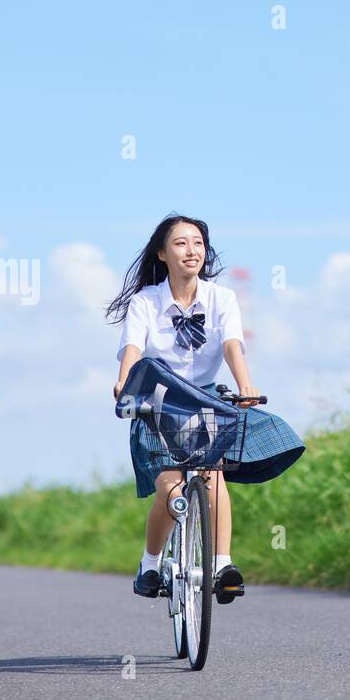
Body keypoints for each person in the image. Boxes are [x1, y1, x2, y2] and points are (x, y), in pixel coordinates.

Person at [106, 213, 259, 602]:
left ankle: (222, 564)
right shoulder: (146, 302)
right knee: (171, 488)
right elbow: (133, 348)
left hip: (204, 399)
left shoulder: (222, 298)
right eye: (180, 243)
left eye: (197, 243)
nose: (191, 250)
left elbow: (232, 345)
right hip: (156, 400)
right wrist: (125, 380)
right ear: (162, 253)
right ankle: (151, 563)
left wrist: (245, 385)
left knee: (214, 478)